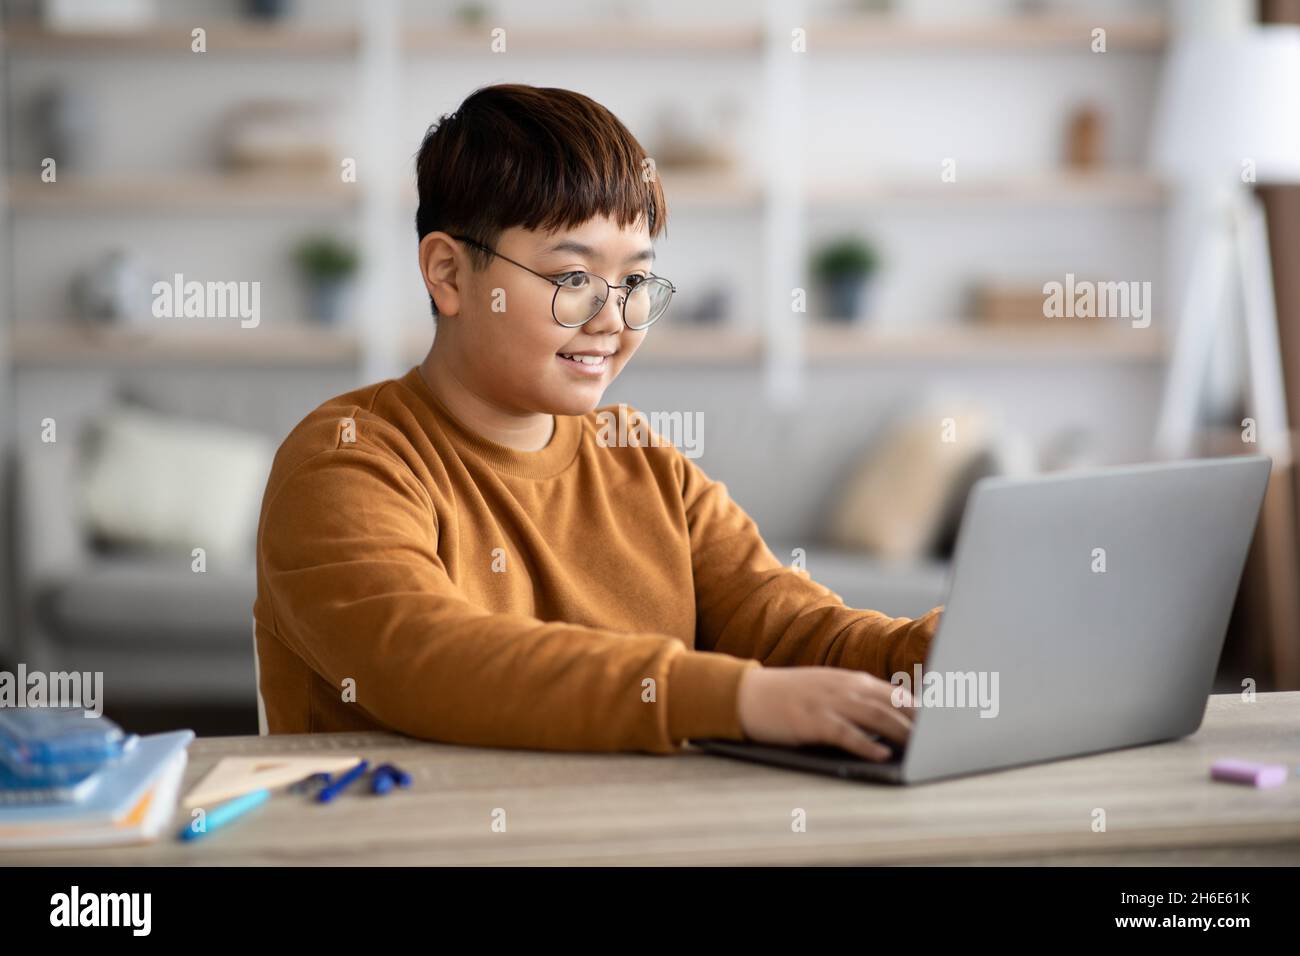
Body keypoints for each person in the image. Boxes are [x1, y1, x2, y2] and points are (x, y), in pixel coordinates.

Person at [254, 83, 942, 760]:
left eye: (635, 283)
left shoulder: (637, 457)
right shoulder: (345, 460)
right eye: (574, 279)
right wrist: (737, 699)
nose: (612, 319)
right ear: (448, 273)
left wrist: (943, 648)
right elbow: (425, 658)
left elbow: (792, 627)